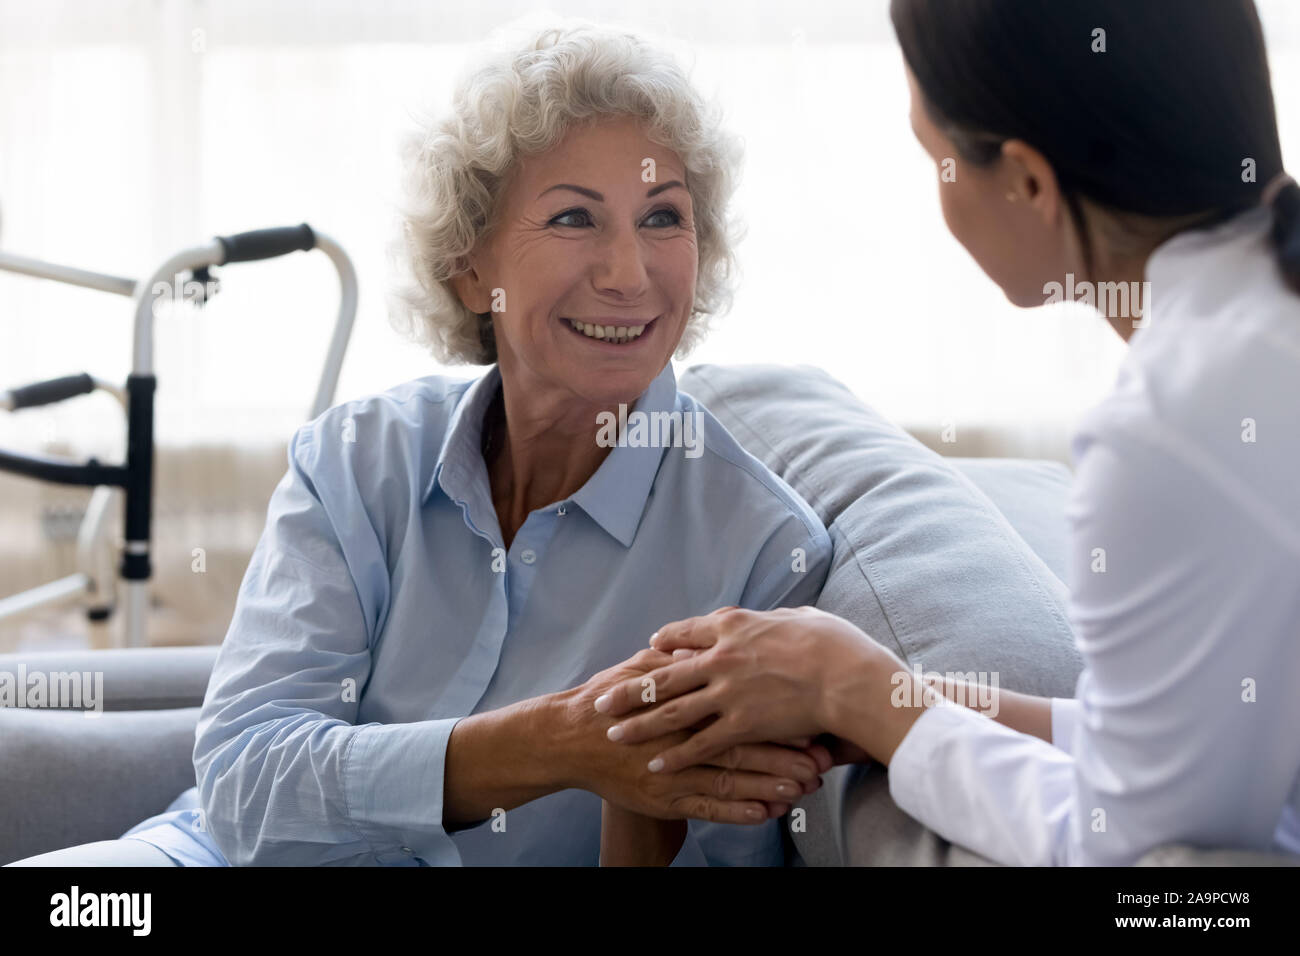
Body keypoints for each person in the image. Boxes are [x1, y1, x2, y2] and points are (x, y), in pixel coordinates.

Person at [8, 21, 832, 868]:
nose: (628, 272)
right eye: (574, 217)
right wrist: (553, 742)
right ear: (470, 269)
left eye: (664, 217)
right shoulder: (355, 462)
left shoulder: (761, 551)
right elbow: (244, 784)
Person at [597, 0, 1300, 866]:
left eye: (938, 161)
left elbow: (1134, 854)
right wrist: (897, 698)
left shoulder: (1172, 432)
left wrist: (855, 689)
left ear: (1029, 183)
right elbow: (1188, 757)